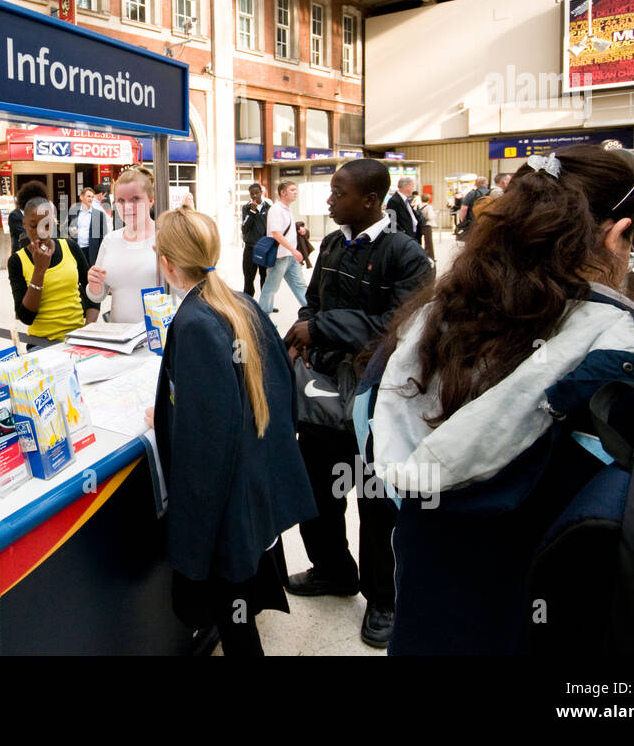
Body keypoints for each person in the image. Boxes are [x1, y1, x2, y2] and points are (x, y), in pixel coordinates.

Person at [362, 146, 634, 655]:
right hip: (537, 593)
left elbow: (370, 419)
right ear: (615, 234)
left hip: (432, 578)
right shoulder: (624, 349)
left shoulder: (433, 315)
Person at [143, 208, 318, 656]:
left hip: (226, 512)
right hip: (254, 489)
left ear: (166, 262)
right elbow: (273, 392)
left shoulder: (196, 322)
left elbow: (206, 442)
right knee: (239, 611)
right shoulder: (240, 302)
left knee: (236, 625)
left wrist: (192, 538)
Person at [282, 157, 434, 649]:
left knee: (375, 505)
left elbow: (401, 327)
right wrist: (306, 328)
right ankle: (332, 570)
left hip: (375, 404)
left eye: (338, 191)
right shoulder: (329, 244)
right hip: (322, 396)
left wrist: (320, 327)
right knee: (319, 495)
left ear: (370, 200)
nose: (329, 200)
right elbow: (312, 302)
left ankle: (383, 599)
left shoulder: (405, 255)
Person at [7, 180, 94, 340]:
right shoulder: (17, 261)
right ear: (24, 224)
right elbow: (26, 317)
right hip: (41, 344)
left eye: (46, 225)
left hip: (77, 339)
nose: (41, 232)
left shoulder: (70, 247)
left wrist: (89, 328)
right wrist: (39, 271)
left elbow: (92, 291)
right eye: (34, 226)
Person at [87, 167, 159, 324]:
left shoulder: (166, 238)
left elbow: (186, 291)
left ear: (151, 200)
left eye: (135, 199)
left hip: (159, 340)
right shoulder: (110, 241)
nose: (127, 206)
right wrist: (94, 284)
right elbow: (97, 295)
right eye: (121, 200)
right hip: (119, 340)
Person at [257, 181, 308, 315]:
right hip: (280, 257)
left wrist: (299, 230)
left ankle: (311, 312)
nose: (295, 192)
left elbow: (286, 229)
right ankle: (264, 318)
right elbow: (276, 233)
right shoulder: (276, 209)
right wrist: (293, 250)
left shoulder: (287, 209)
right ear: (283, 193)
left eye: (295, 190)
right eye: (292, 190)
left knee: (300, 285)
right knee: (270, 289)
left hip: (290, 258)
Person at [67, 185, 110, 268]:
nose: (91, 199)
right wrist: (71, 230)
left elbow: (103, 236)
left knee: (90, 276)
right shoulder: (73, 212)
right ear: (81, 197)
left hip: (91, 252)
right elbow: (66, 227)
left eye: (92, 197)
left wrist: (101, 254)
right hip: (77, 250)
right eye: (88, 196)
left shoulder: (99, 215)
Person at [240, 183, 271, 298]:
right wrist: (252, 212)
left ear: (261, 193)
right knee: (248, 278)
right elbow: (244, 227)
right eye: (252, 194)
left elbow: (270, 226)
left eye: (256, 193)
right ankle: (248, 302)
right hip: (250, 248)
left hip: (264, 248)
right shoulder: (246, 208)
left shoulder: (268, 207)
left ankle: (265, 304)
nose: (254, 196)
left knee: (265, 277)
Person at [385, 176, 421, 242]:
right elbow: (391, 222)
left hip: (412, 236)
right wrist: (403, 234)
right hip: (404, 238)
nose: (413, 189)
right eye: (412, 186)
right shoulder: (394, 201)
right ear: (407, 186)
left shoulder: (406, 200)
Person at [415, 192, 436, 260]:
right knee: (428, 242)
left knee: (419, 240)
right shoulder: (429, 206)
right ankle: (430, 256)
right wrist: (435, 214)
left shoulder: (418, 206)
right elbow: (430, 216)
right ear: (428, 199)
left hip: (420, 225)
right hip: (427, 225)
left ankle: (419, 254)